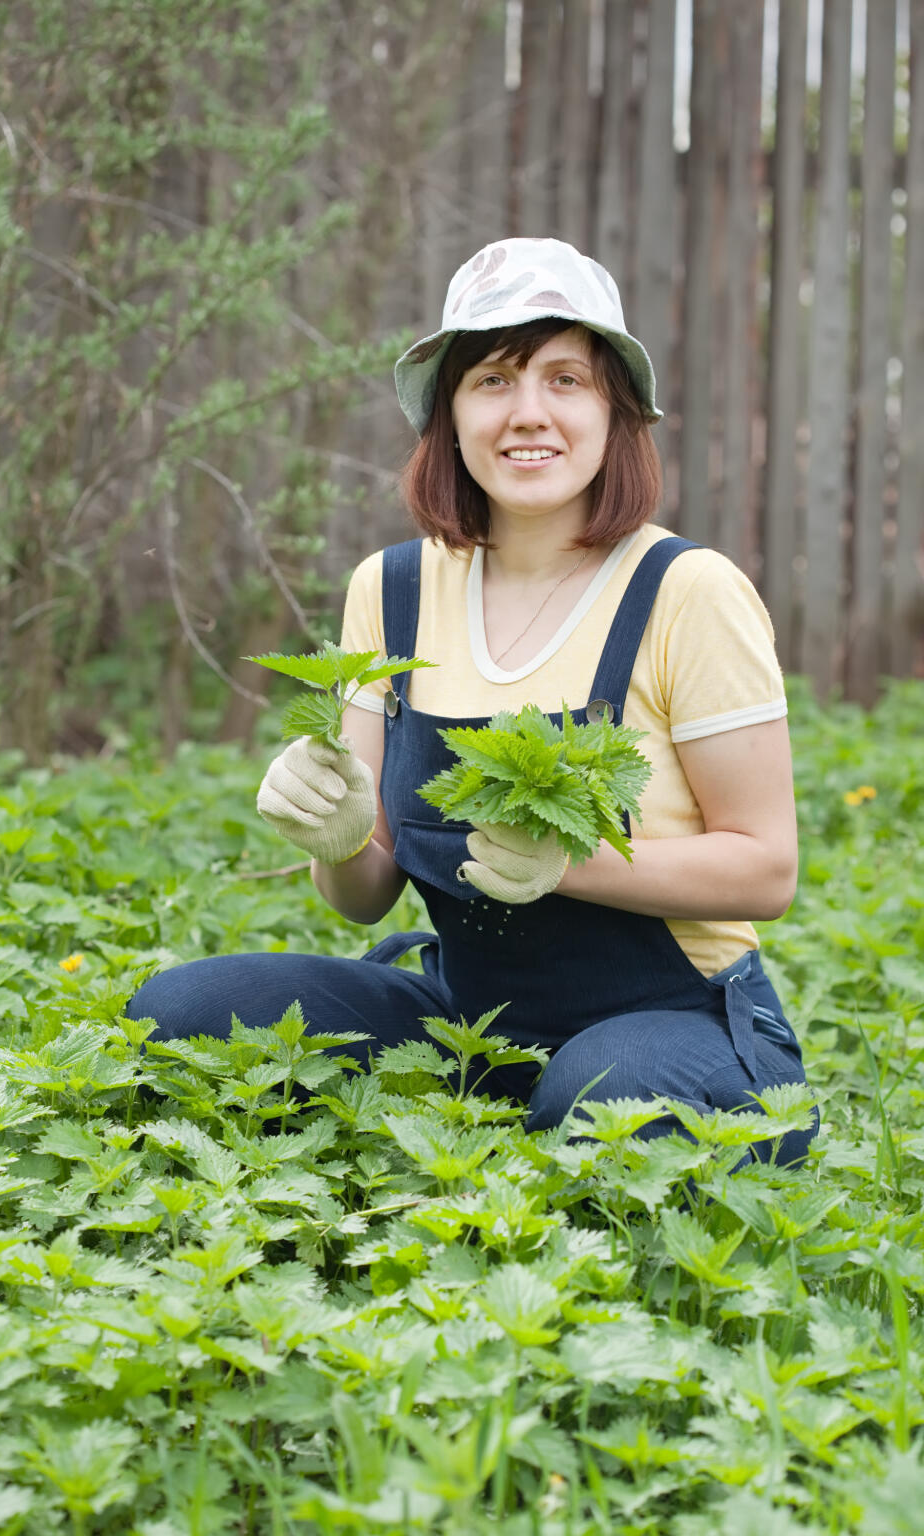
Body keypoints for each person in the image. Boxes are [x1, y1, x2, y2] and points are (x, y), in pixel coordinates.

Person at [127, 237, 815, 1164]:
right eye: (493, 380)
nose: (528, 412)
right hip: (471, 1024)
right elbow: (367, 894)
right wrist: (337, 840)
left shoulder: (686, 591)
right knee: (175, 1016)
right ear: (449, 413)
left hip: (679, 1020)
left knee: (605, 1101)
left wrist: (568, 862)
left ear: (615, 412)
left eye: (565, 379)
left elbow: (765, 870)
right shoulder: (393, 588)